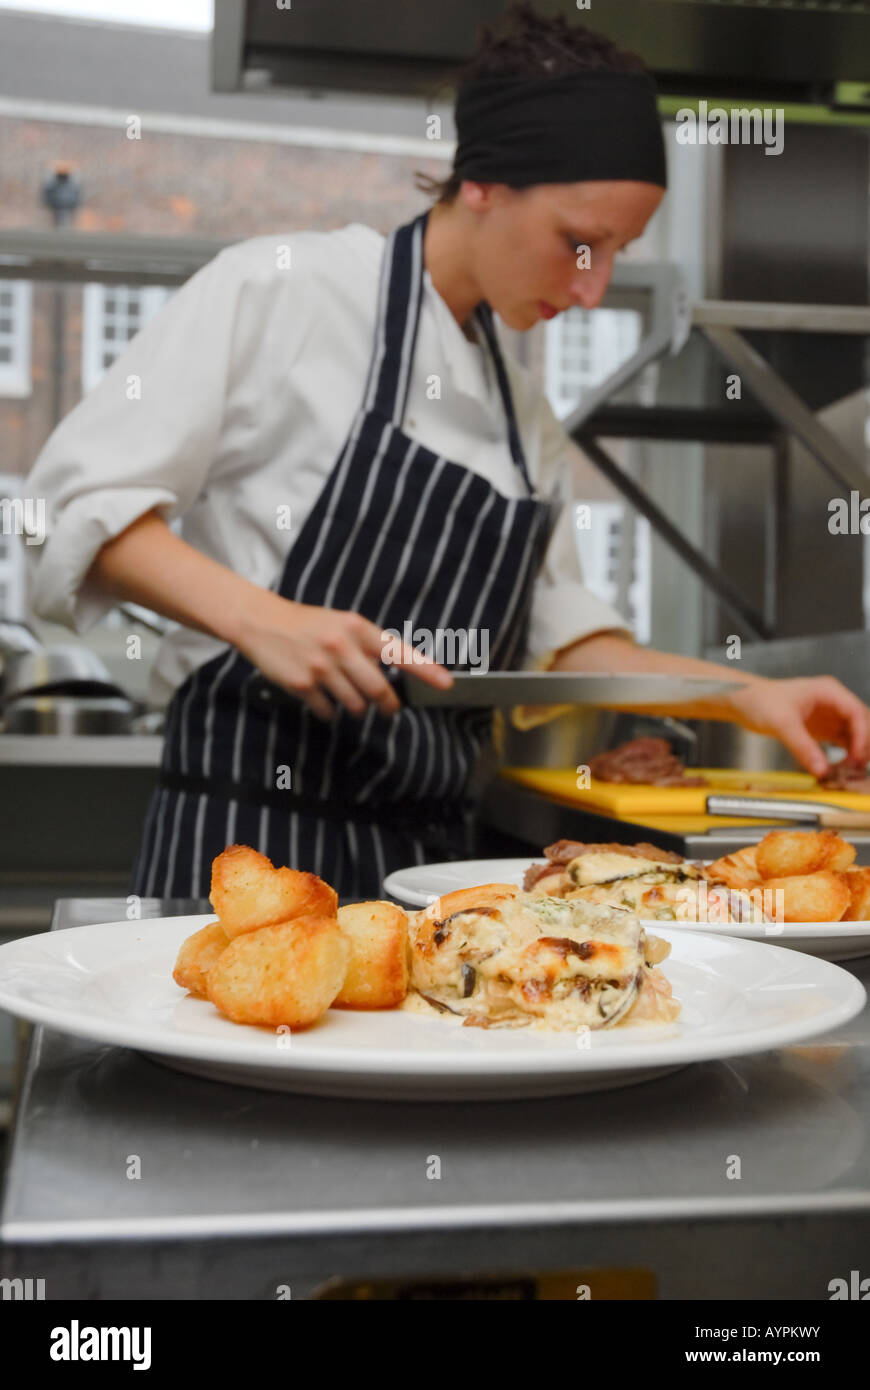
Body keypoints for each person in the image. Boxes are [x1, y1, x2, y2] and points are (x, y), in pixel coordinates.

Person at [26, 4, 870, 900]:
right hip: (248, 842)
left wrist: (738, 693)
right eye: (579, 242)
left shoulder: (522, 411)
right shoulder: (287, 292)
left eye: (617, 254)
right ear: (484, 184)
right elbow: (70, 514)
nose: (591, 290)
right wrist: (257, 617)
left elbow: (563, 645)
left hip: (433, 870)